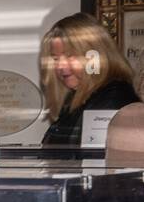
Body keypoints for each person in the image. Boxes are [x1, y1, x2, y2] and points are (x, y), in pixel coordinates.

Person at [40, 13, 139, 146]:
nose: (60, 66)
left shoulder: (113, 98)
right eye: (56, 59)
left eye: (70, 56)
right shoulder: (79, 99)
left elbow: (94, 161)